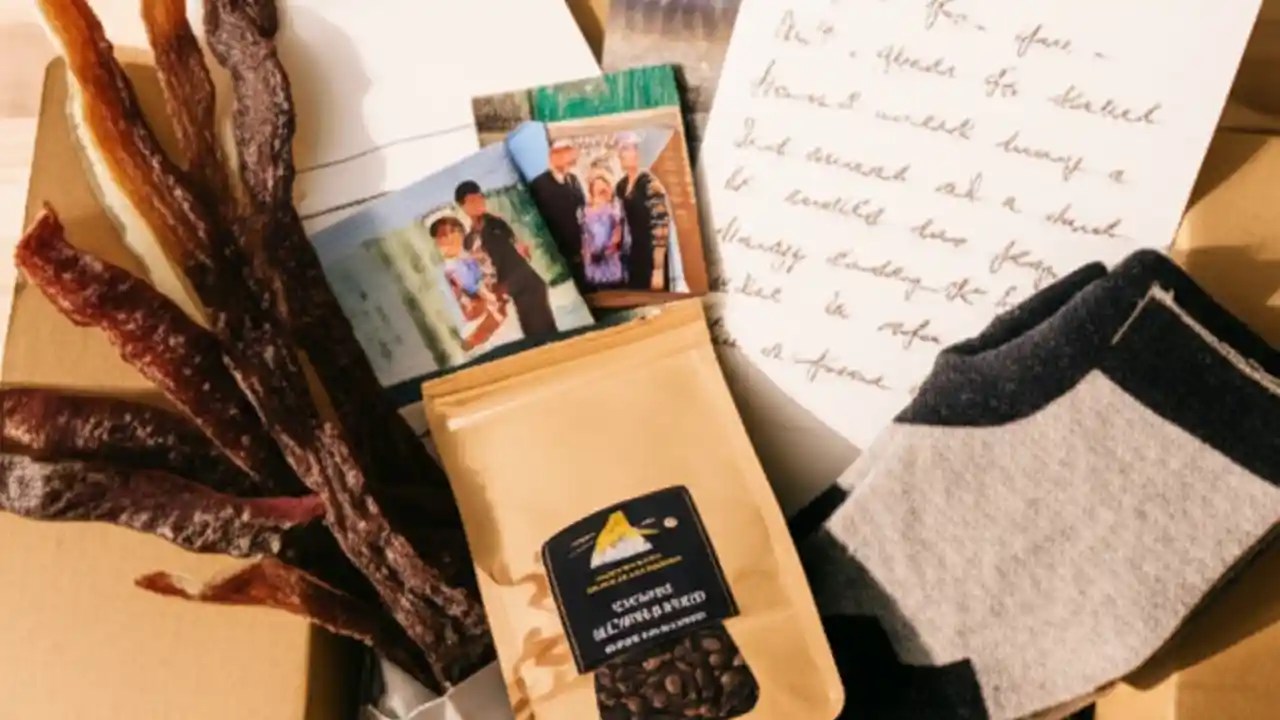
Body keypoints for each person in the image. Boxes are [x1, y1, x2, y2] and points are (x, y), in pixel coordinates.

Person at [453, 180, 560, 338]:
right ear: (462, 206)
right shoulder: (469, 241)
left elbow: (517, 250)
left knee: (543, 332)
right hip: (513, 290)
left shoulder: (496, 223)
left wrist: (522, 248)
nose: (479, 202)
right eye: (472, 200)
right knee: (533, 334)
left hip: (527, 283)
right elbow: (481, 271)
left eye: (480, 197)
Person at [427, 215, 506, 351]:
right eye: (440, 236)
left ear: (460, 233)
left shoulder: (468, 260)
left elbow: (489, 301)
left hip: (484, 325)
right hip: (477, 325)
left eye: (449, 232)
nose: (444, 239)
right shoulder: (450, 268)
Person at [614, 132, 672, 292]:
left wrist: (658, 269)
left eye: (626, 149)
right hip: (632, 256)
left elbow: (661, 227)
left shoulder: (651, 185)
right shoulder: (620, 186)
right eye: (620, 150)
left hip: (651, 257)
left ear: (636, 153)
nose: (621, 155)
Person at [528, 138, 587, 287]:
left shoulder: (573, 180)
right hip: (555, 255)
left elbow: (582, 208)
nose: (568, 158)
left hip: (578, 253)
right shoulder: (539, 185)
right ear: (552, 156)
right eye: (563, 153)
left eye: (569, 153)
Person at [580, 172, 628, 289]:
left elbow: (618, 236)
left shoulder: (615, 210)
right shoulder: (585, 213)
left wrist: (606, 250)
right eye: (598, 187)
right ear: (592, 191)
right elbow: (584, 239)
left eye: (604, 187)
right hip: (592, 269)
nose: (602, 190)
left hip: (611, 268)